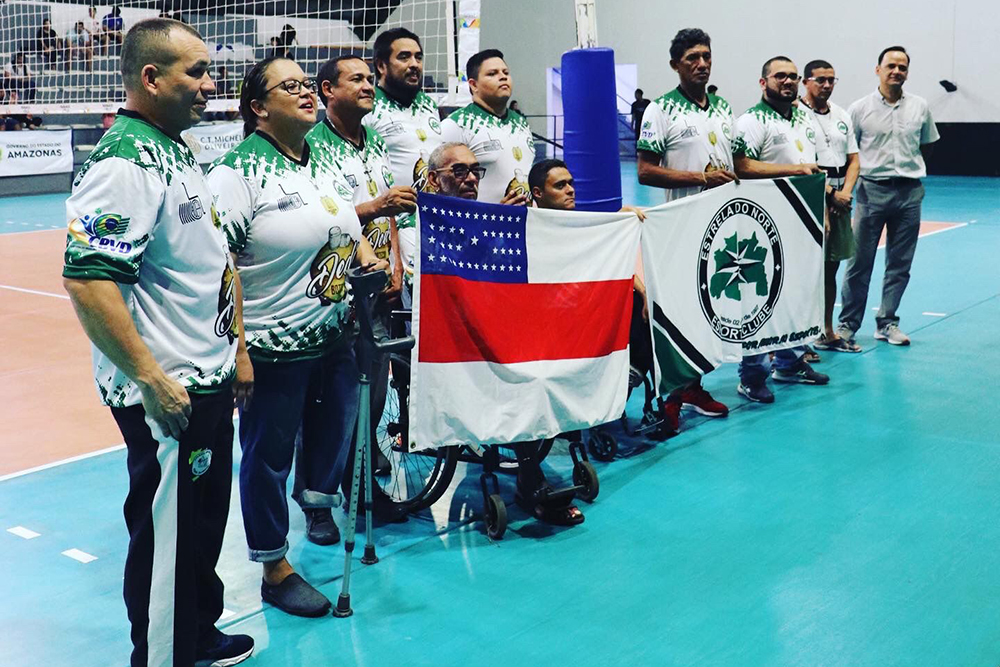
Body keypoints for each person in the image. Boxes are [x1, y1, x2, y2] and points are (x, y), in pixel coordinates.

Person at [61, 18, 253, 667]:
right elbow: (89, 280)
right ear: (151, 77)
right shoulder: (124, 162)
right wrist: (150, 376)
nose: (209, 84)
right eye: (195, 71)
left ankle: (197, 633)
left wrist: (234, 354)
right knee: (166, 538)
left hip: (204, 378)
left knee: (198, 527)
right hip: (166, 389)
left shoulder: (171, 146)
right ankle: (164, 653)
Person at [207, 56, 387, 618]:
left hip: (336, 336)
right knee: (267, 458)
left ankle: (316, 505)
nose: (307, 93)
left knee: (334, 437)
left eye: (308, 85)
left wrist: (365, 257)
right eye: (291, 87)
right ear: (258, 108)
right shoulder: (237, 174)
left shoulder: (322, 164)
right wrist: (237, 351)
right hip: (272, 348)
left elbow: (346, 226)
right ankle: (273, 567)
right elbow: (222, 267)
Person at [428, 143, 584, 526]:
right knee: (523, 373)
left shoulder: (491, 218)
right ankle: (531, 476)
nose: (469, 179)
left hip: (494, 327)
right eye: (458, 171)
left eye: (474, 171)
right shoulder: (424, 221)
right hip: (453, 339)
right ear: (434, 179)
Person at [308, 54, 411, 523]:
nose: (369, 85)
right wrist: (375, 206)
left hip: (379, 290)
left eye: (371, 79)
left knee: (371, 395)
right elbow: (322, 220)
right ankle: (318, 505)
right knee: (331, 402)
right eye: (357, 79)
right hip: (337, 292)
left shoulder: (375, 143)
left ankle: (364, 489)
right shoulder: (313, 145)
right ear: (328, 90)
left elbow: (390, 212)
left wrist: (396, 264)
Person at [634, 28, 733, 430]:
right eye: (692, 57)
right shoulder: (661, 110)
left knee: (709, 311)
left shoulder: (724, 106)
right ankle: (670, 393)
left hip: (722, 225)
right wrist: (700, 178)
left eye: (706, 56)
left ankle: (693, 385)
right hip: (681, 226)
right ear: (676, 64)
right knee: (676, 312)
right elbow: (644, 171)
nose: (701, 63)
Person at [732, 55, 828, 403]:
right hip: (763, 225)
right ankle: (751, 375)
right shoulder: (751, 121)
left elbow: (812, 167)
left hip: (800, 220)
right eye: (779, 76)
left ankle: (788, 362)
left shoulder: (804, 117)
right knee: (760, 299)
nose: (787, 82)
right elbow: (740, 166)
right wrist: (791, 170)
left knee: (795, 293)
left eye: (792, 76)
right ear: (763, 82)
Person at [838, 46, 939, 347]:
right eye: (891, 65)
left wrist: (909, 169)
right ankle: (847, 325)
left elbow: (928, 144)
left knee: (900, 263)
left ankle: (887, 322)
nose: (896, 71)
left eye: (902, 67)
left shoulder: (920, 107)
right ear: (878, 69)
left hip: (909, 192)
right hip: (871, 191)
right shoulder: (859, 109)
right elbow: (849, 153)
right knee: (859, 263)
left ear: (907, 72)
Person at [364, 27, 443, 290]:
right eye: (404, 57)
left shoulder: (430, 105)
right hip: (394, 228)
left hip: (434, 221)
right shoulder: (369, 107)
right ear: (381, 65)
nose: (414, 65)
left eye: (418, 57)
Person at [798, 59, 862, 353]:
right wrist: (827, 194)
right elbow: (799, 163)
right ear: (805, 81)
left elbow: (854, 159)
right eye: (820, 80)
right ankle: (798, 338)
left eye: (832, 80)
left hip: (840, 197)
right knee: (804, 270)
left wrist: (845, 192)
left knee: (831, 268)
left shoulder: (841, 114)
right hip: (811, 194)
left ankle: (826, 330)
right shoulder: (796, 115)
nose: (826, 85)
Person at [440, 49, 533, 205]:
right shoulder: (456, 125)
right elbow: (437, 185)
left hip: (522, 223)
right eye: (492, 73)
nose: (503, 77)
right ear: (473, 84)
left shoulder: (521, 123)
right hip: (479, 224)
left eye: (506, 72)